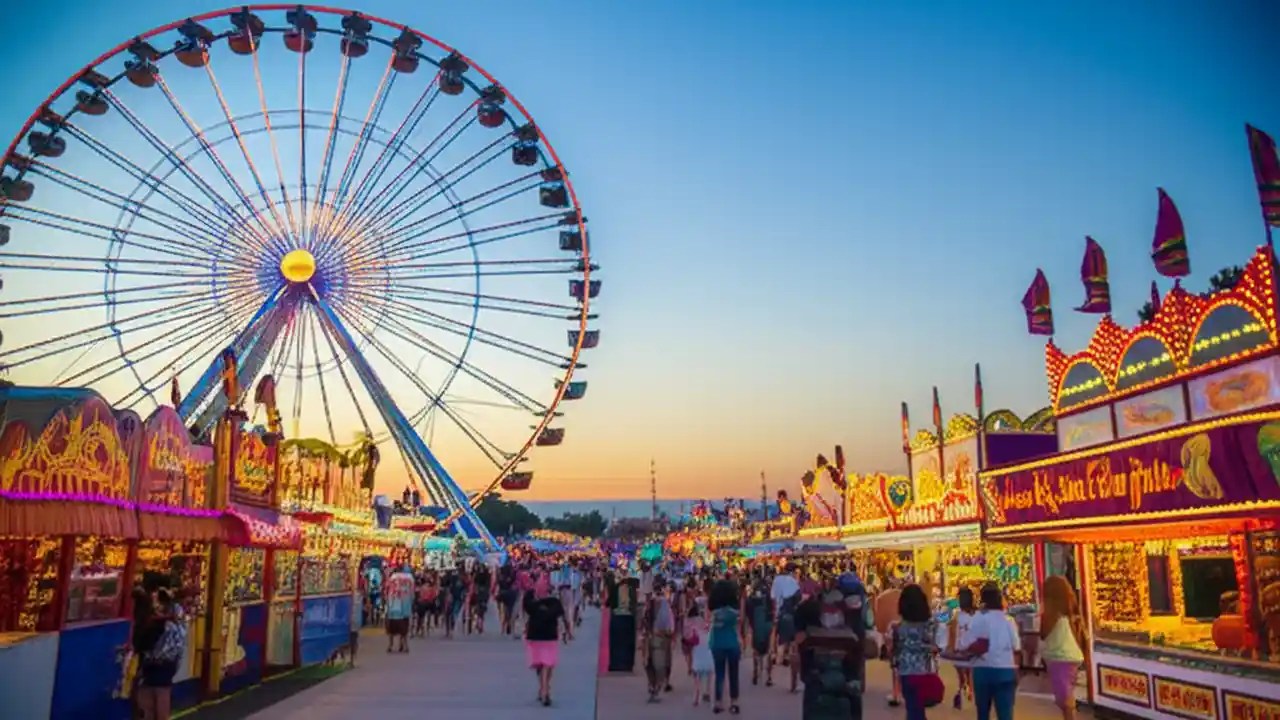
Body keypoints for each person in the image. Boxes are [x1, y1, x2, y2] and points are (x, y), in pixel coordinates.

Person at [960, 583, 1021, 720]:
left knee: (982, 714)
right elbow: (1016, 648)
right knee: (1005, 715)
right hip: (1005, 670)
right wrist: (1016, 671)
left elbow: (965, 644)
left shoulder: (977, 618)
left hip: (982, 671)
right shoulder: (1008, 620)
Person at [1040, 576, 1086, 720]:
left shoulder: (1051, 614)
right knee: (1066, 696)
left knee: (1065, 699)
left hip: (1059, 657)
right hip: (1072, 656)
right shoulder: (1072, 613)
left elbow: (1043, 634)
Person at [137, 588, 187, 720]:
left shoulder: (161, 625)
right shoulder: (176, 620)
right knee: (160, 695)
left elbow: (146, 645)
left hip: (155, 665)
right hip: (167, 665)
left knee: (151, 698)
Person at [891, 584, 939, 720]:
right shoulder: (931, 625)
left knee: (913, 710)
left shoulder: (898, 628)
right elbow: (936, 647)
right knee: (918, 711)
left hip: (907, 672)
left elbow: (894, 651)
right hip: (925, 671)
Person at [525, 574, 573, 707]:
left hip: (535, 636)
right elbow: (561, 616)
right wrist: (567, 632)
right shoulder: (554, 603)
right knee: (547, 664)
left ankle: (543, 688)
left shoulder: (532, 602)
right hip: (549, 636)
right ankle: (545, 689)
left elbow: (527, 608)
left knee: (542, 665)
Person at [709, 579, 743, 715]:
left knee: (719, 673)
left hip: (717, 643)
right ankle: (734, 702)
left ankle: (718, 702)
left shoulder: (714, 612)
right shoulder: (734, 612)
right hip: (733, 643)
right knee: (734, 674)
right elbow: (739, 627)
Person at [941, 587, 976, 709]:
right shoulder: (976, 616)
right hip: (972, 650)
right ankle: (970, 691)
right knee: (970, 671)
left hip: (959, 651)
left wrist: (951, 648)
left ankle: (963, 689)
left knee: (962, 674)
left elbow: (952, 633)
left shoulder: (957, 616)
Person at [643, 578, 677, 701]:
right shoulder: (664, 604)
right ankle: (655, 689)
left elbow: (644, 621)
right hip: (660, 639)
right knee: (660, 665)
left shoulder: (650, 603)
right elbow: (669, 626)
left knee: (650, 663)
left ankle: (652, 687)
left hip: (649, 638)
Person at [744, 579, 775, 686]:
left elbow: (747, 614)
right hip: (767, 625)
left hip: (756, 627)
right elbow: (773, 612)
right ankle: (769, 677)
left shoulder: (751, 598)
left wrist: (748, 627)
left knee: (756, 651)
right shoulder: (769, 597)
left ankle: (755, 672)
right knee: (769, 651)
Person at [687, 603, 714, 706]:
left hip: (698, 650)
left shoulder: (692, 623)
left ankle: (696, 695)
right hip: (707, 649)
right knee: (709, 672)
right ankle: (707, 692)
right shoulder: (708, 624)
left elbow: (690, 638)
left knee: (697, 674)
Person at [384, 564, 415, 653]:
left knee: (391, 628)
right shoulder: (410, 578)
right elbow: (412, 593)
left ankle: (390, 645)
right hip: (405, 607)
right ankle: (404, 645)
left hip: (393, 606)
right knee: (404, 628)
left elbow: (387, 590)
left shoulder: (392, 577)